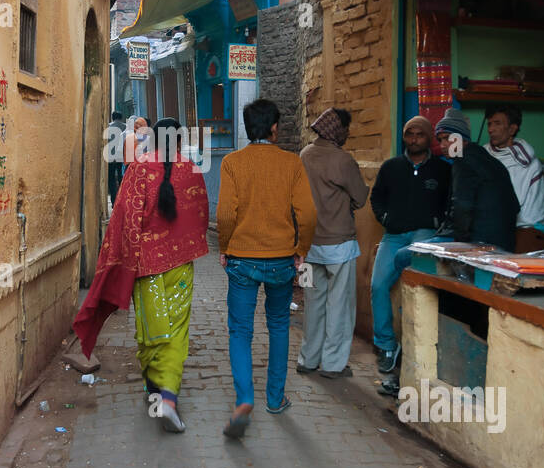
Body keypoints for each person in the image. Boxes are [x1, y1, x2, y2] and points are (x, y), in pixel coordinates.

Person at [74, 117, 209, 433]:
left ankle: (153, 388)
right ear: (178, 142)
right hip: (180, 267)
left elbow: (124, 220)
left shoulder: (138, 169)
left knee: (151, 328)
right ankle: (168, 397)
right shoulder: (191, 169)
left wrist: (123, 261)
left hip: (145, 267)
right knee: (176, 332)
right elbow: (200, 217)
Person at [216, 98, 317, 439]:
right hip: (281, 260)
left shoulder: (232, 163)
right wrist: (300, 250)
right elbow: (307, 214)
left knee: (240, 331)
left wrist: (225, 247)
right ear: (275, 128)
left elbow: (226, 215)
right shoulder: (291, 163)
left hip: (242, 259)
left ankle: (245, 399)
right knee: (278, 326)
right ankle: (275, 398)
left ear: (247, 128)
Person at [370, 116, 451, 375]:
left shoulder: (442, 170)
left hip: (424, 236)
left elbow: (451, 203)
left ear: (429, 139)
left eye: (420, 134)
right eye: (409, 134)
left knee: (417, 288)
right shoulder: (391, 167)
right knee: (378, 285)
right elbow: (377, 197)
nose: (414, 139)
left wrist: (438, 223)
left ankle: (414, 346)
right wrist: (385, 218)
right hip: (393, 236)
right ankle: (385, 345)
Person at [297, 107, 368, 379]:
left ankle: (308, 358)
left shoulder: (304, 155)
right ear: (338, 131)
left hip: (309, 244)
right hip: (339, 245)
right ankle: (333, 364)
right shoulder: (343, 160)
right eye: (346, 129)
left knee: (313, 304)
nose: (348, 134)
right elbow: (360, 199)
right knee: (340, 306)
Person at [434, 107, 518, 250]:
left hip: (481, 245)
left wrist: (458, 249)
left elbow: (462, 206)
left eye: (448, 138)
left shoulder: (463, 161)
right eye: (440, 139)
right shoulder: (488, 159)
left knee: (404, 256)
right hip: (505, 243)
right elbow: (514, 205)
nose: (442, 145)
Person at [484, 103, 544, 252]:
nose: (491, 129)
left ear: (512, 129)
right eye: (489, 124)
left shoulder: (526, 163)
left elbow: (511, 203)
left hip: (526, 228)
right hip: (496, 226)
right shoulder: (484, 155)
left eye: (497, 123)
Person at [105, 109, 126, 207]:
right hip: (122, 156)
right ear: (121, 118)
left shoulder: (108, 126)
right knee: (123, 178)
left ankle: (114, 201)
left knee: (111, 178)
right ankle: (122, 200)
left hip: (110, 156)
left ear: (113, 117)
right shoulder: (125, 127)